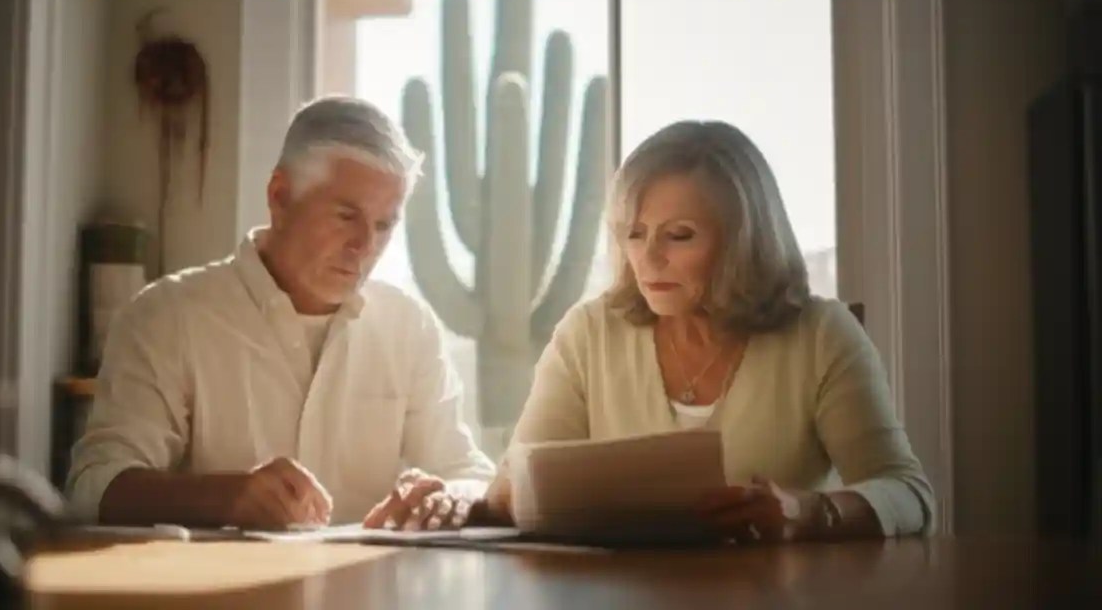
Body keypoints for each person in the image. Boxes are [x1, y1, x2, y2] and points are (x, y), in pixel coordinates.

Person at [468, 120, 934, 542]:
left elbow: (908, 493)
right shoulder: (587, 334)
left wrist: (809, 512)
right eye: (634, 233)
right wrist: (478, 502)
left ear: (743, 240)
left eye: (680, 235)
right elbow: (514, 488)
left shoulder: (821, 335)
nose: (648, 257)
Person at [66, 96, 494, 530]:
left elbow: (471, 474)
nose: (365, 245)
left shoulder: (409, 328)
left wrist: (452, 497)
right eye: (347, 216)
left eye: (384, 225)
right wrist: (224, 498)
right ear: (280, 196)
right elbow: (93, 488)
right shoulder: (164, 318)